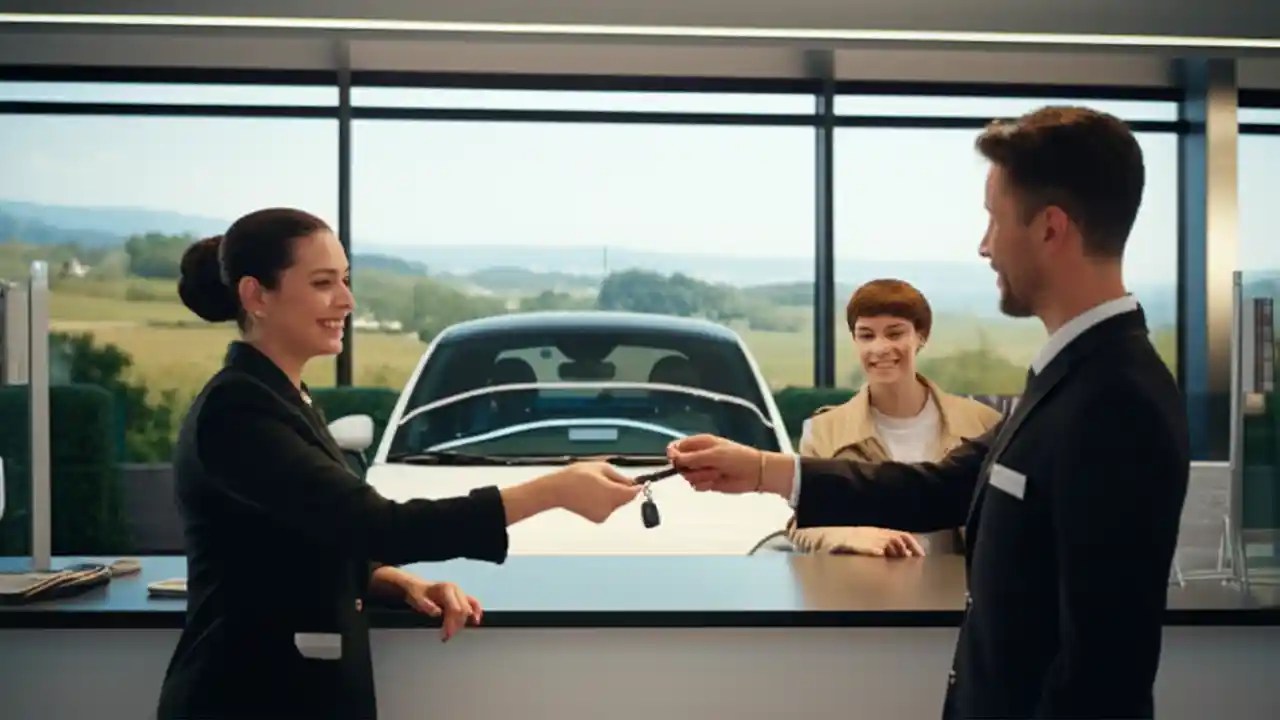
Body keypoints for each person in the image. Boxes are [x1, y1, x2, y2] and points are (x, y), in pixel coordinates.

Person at [668, 106, 1189, 720]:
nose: (984, 245)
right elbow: (943, 486)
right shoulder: (1069, 375)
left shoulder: (1118, 402)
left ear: (1051, 228)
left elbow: (1103, 671)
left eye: (995, 219)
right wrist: (763, 470)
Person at [157, 208, 641, 720]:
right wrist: (553, 491)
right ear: (257, 296)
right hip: (246, 699)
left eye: (344, 279)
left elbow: (310, 538)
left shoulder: (279, 396)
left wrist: (400, 583)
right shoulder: (238, 413)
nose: (346, 300)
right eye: (323, 283)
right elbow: (378, 525)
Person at [786, 279, 1003, 557]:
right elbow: (802, 525)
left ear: (921, 336)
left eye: (895, 334)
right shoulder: (824, 431)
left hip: (959, 583)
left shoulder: (983, 423)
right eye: (866, 336)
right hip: (863, 583)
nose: (879, 348)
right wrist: (851, 536)